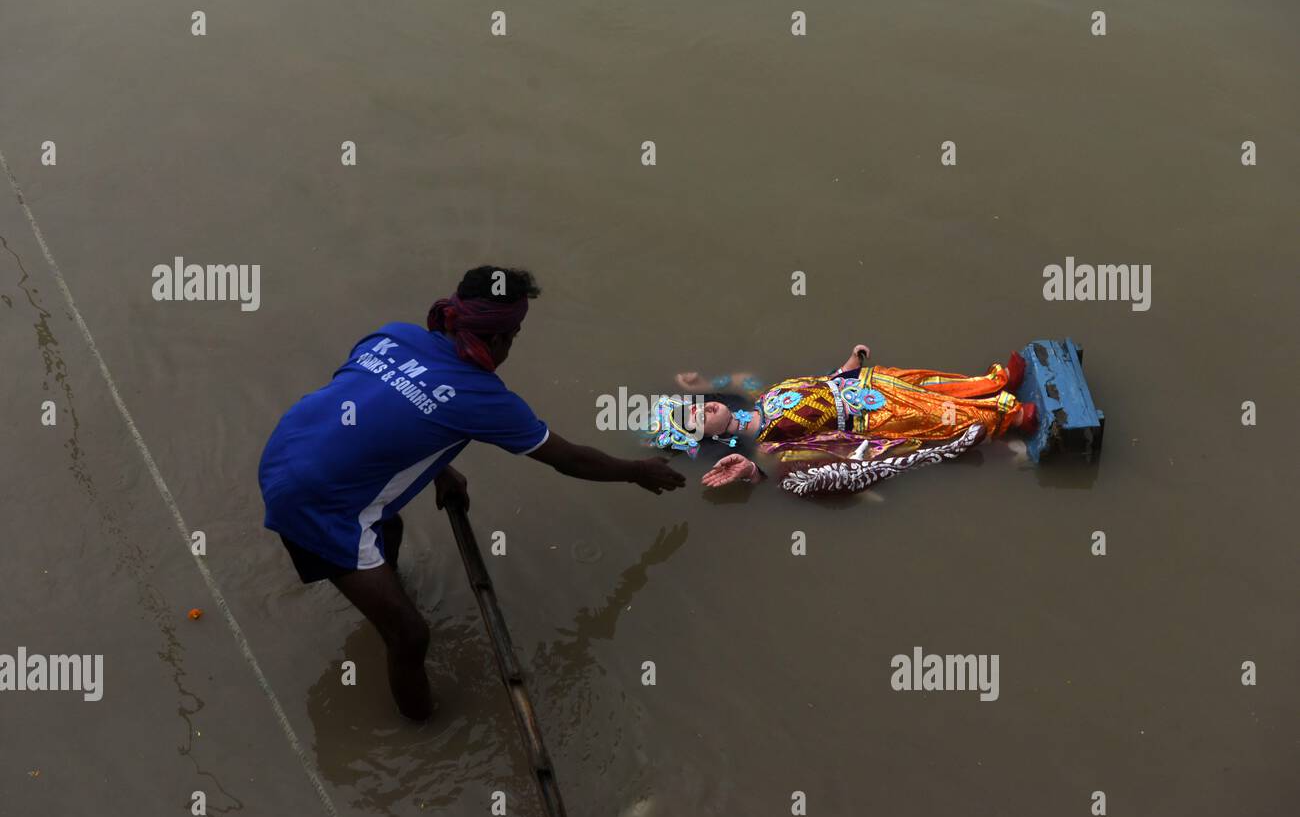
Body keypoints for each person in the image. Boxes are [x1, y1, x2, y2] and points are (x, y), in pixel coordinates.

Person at [258, 267, 684, 720]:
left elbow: (381, 411)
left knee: (387, 520)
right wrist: (637, 471)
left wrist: (440, 467)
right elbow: (569, 459)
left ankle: (382, 585)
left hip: (285, 448)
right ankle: (423, 729)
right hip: (316, 501)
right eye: (515, 333)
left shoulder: (391, 337)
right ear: (500, 338)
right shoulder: (486, 400)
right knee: (410, 636)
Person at [658, 344, 1036, 494]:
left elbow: (817, 384)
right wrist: (750, 474)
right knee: (940, 415)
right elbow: (785, 472)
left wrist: (848, 366)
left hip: (866, 384)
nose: (700, 408)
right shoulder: (766, 445)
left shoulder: (760, 395)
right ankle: (1014, 416)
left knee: (933, 383)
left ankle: (997, 382)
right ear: (710, 438)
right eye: (694, 419)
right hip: (870, 419)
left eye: (697, 403)